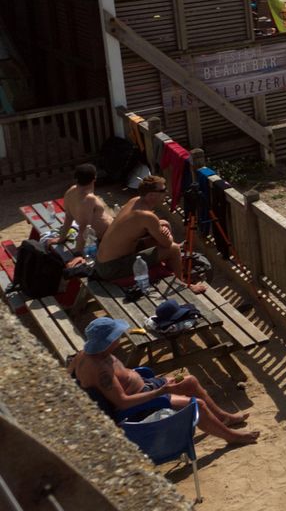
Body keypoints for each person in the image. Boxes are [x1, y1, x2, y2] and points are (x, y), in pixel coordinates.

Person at [69, 318, 258, 443]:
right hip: (140, 405)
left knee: (190, 381)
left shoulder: (82, 355)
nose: (120, 337)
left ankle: (223, 417)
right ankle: (231, 437)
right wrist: (161, 391)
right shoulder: (101, 370)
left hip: (146, 387)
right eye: (117, 336)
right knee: (197, 405)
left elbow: (68, 376)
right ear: (110, 341)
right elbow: (123, 403)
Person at [93, 175, 204, 292]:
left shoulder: (134, 201)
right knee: (174, 249)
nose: (166, 192)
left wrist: (162, 228)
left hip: (102, 262)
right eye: (163, 190)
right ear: (151, 195)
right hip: (112, 268)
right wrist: (167, 235)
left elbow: (139, 226)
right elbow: (167, 243)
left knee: (164, 225)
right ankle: (184, 285)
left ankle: (171, 265)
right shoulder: (147, 216)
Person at [61, 163, 113, 254]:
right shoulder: (89, 199)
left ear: (76, 178)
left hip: (105, 231)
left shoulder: (71, 191)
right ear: (94, 178)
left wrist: (61, 237)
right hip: (105, 236)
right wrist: (78, 253)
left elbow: (68, 217)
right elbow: (84, 228)